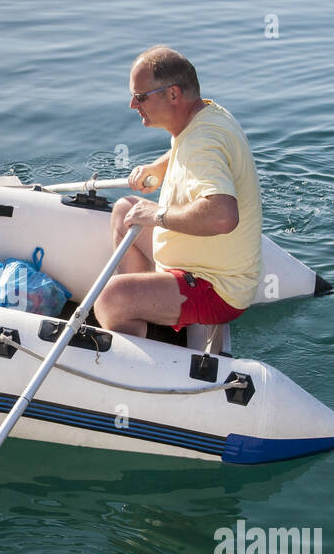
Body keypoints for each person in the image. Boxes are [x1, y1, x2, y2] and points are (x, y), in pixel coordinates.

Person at [93, 46, 262, 338]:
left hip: (216, 287)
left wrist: (157, 214)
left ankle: (149, 353)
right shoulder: (204, 116)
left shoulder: (202, 142)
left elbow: (223, 216)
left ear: (173, 94)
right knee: (125, 211)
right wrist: (159, 168)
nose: (133, 104)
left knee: (111, 300)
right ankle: (149, 307)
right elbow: (185, 150)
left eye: (141, 96)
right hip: (200, 262)